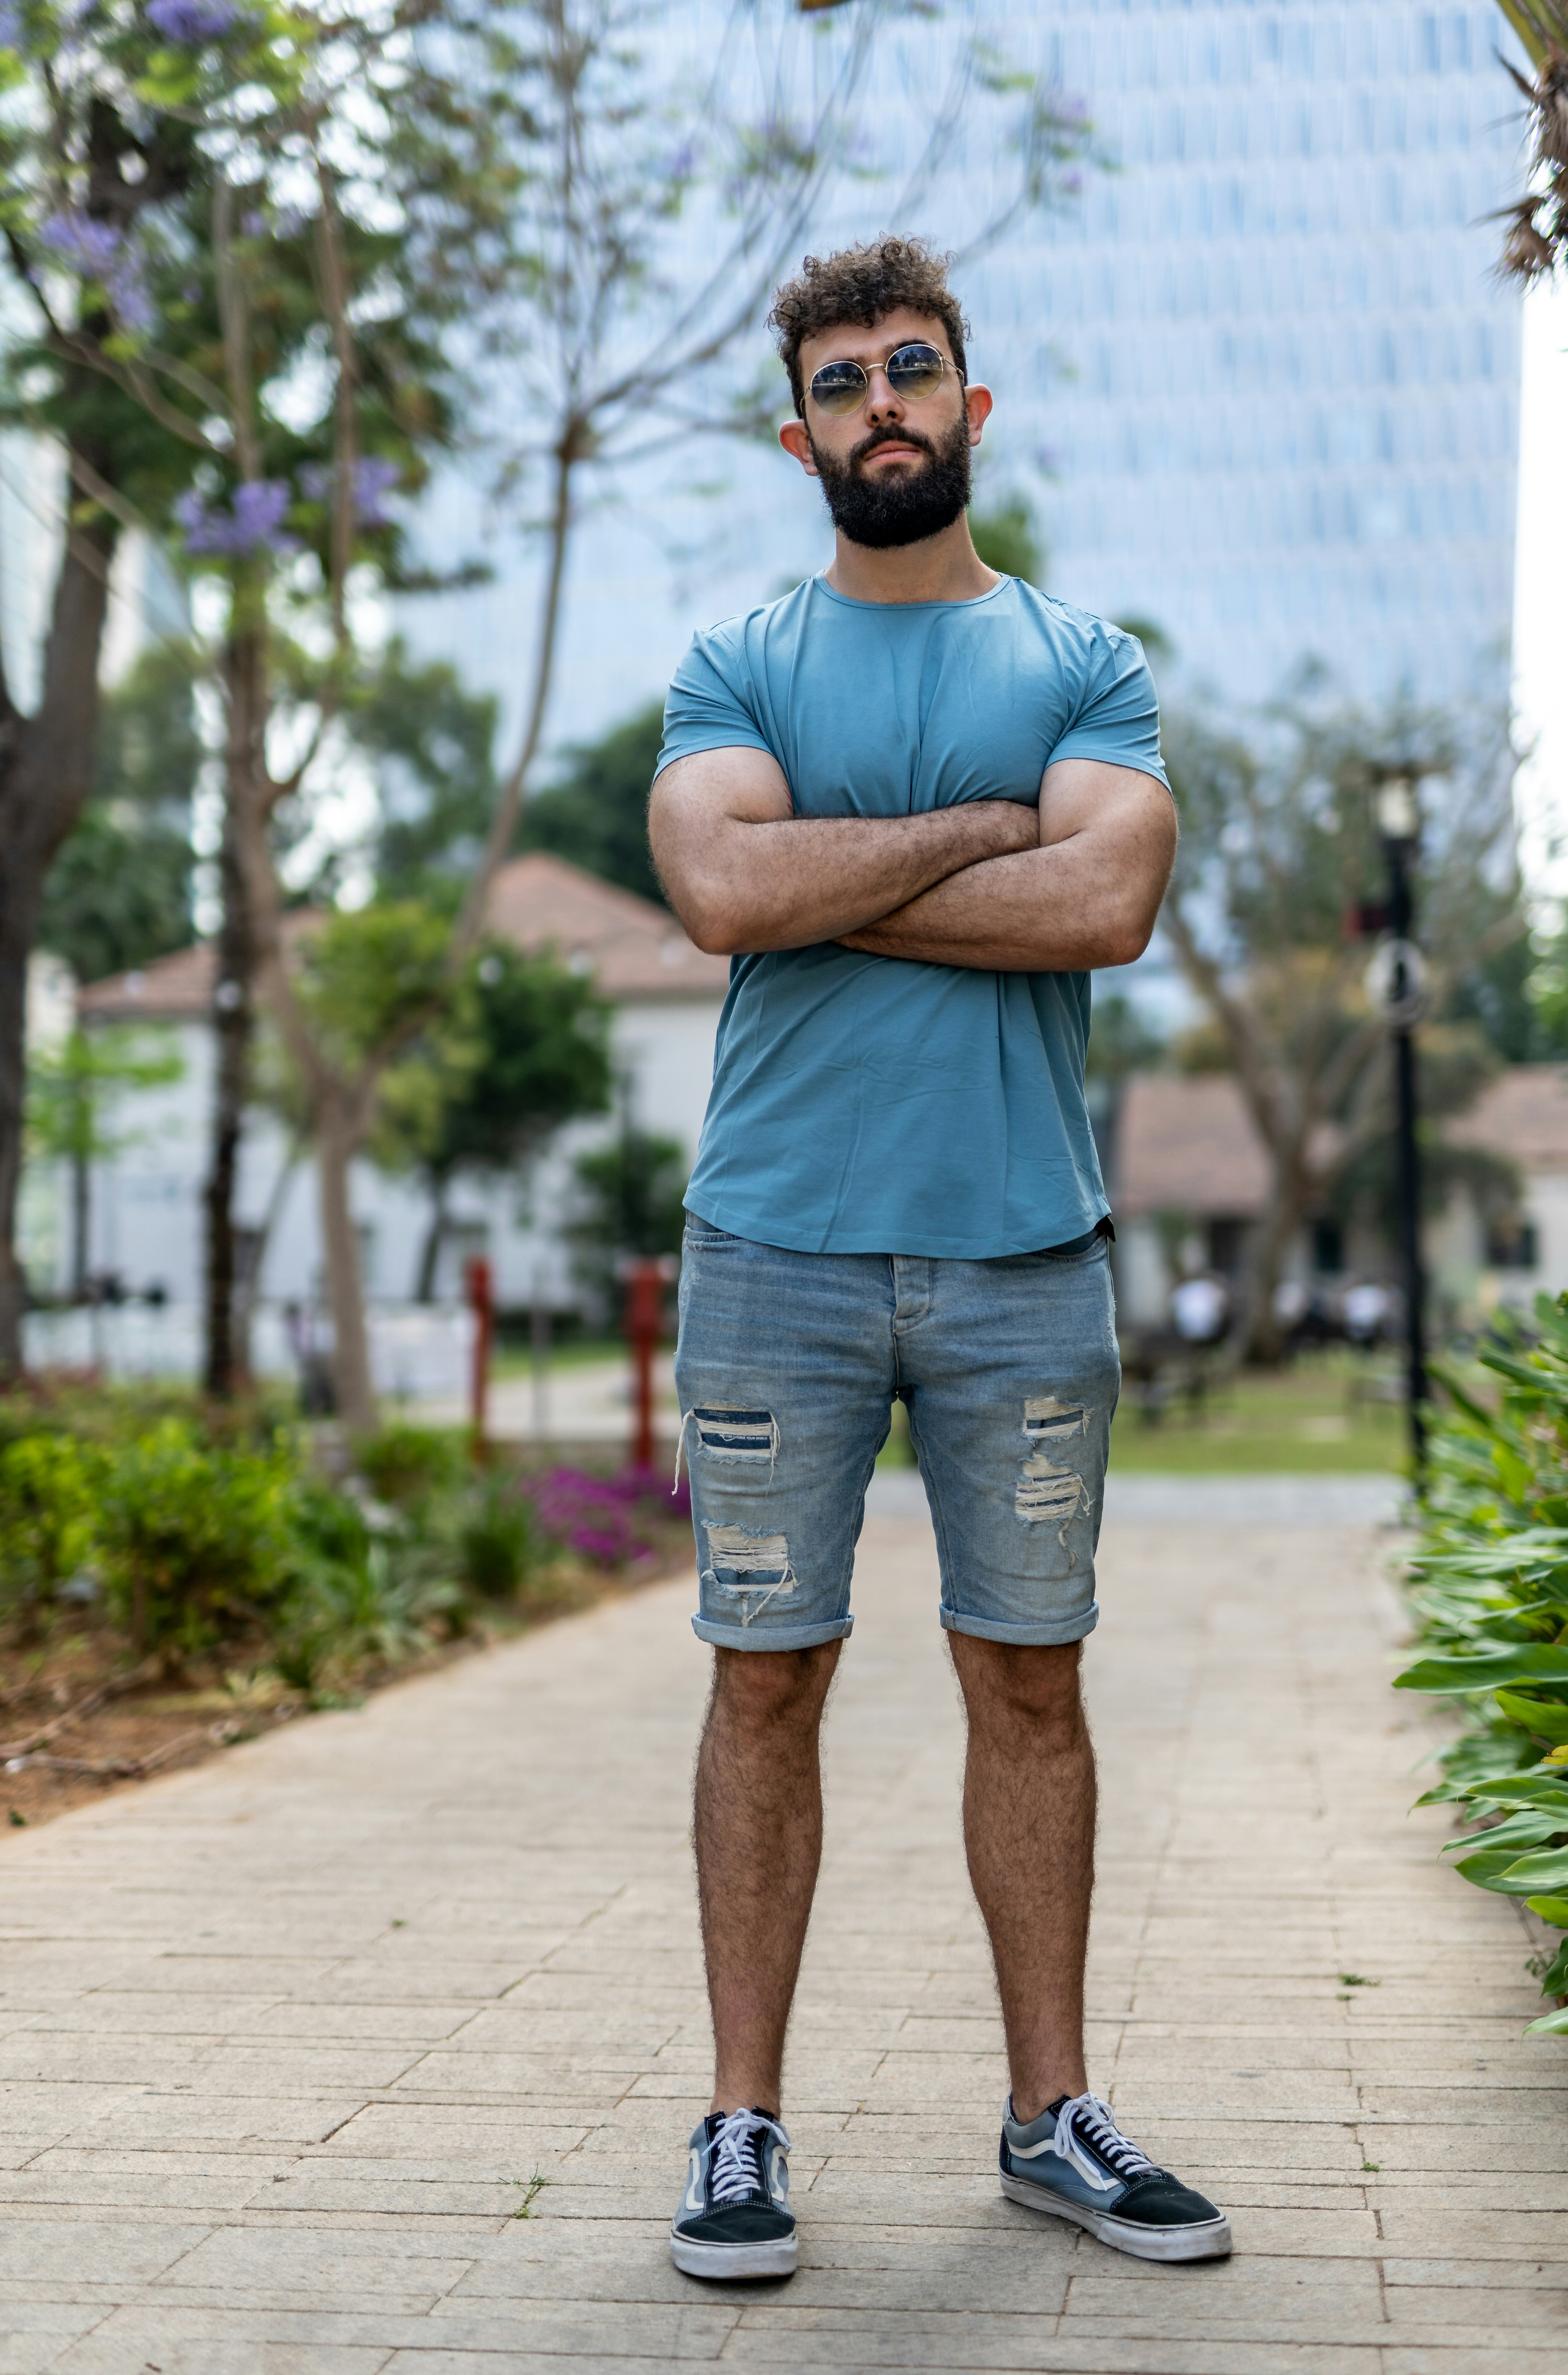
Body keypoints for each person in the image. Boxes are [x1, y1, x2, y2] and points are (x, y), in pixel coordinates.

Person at [648, 237, 1231, 2283]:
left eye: (912, 369)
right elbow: (715, 876)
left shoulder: (1087, 659)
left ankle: (1049, 2117)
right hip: (771, 1252)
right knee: (764, 1682)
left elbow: (1104, 917)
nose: (879, 403)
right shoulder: (736, 660)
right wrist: (984, 832)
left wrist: (826, 883)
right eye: (840, 381)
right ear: (797, 428)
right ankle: (741, 2129)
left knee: (1030, 1683)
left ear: (969, 406)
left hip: (1018, 1256)